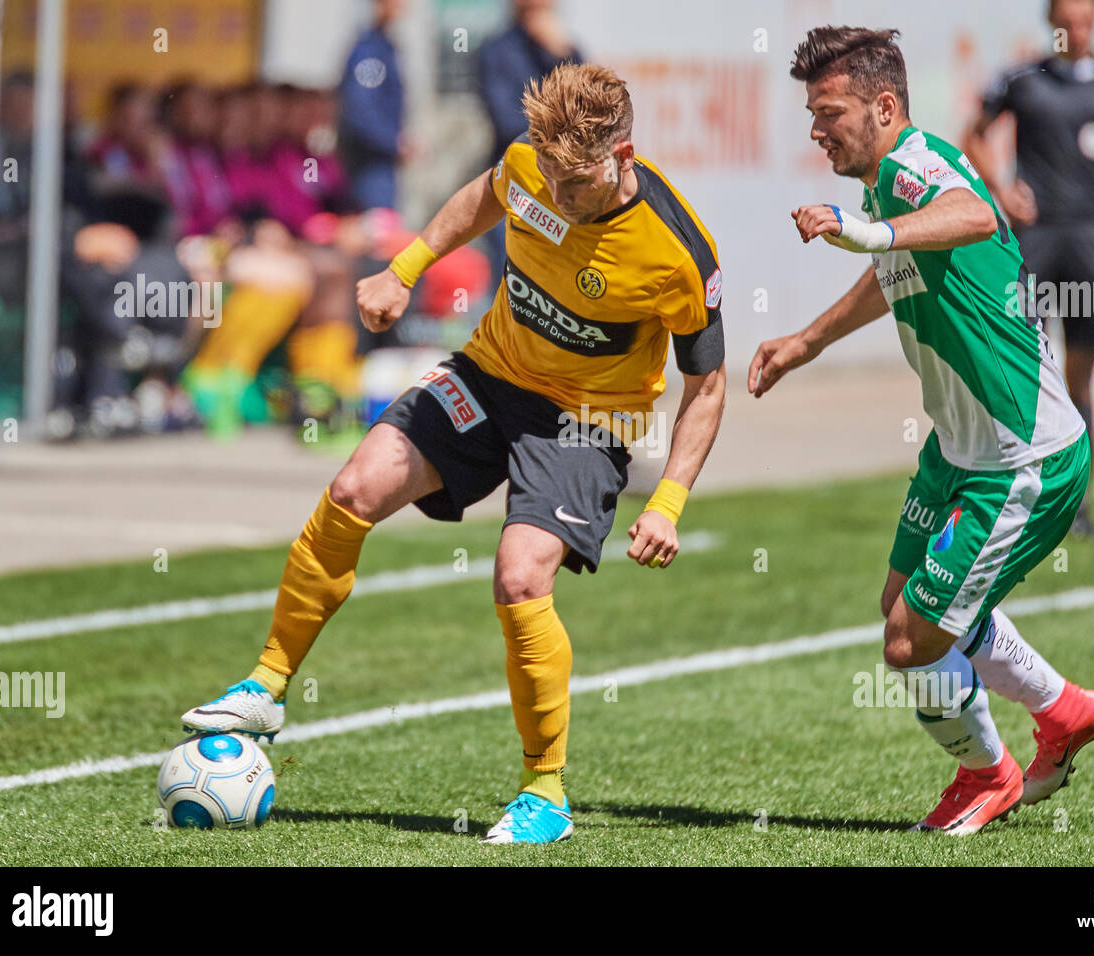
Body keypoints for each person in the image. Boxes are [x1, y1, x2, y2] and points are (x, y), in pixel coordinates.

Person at [180, 63, 727, 844]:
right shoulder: (530, 164)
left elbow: (707, 387)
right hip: (490, 372)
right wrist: (404, 270)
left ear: (625, 156)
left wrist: (668, 502)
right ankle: (268, 684)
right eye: (554, 181)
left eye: (580, 184)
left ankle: (545, 792)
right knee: (352, 489)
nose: (561, 199)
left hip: (585, 419)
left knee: (518, 576)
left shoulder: (678, 253)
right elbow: (483, 197)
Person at [749, 26, 1094, 835]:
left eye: (829, 111)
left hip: (1021, 458)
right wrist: (806, 341)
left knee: (910, 642)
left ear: (885, 107)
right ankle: (1064, 710)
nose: (816, 129)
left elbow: (974, 214)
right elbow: (897, 271)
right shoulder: (887, 181)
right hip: (956, 448)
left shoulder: (919, 168)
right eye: (812, 112)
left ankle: (987, 776)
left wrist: (870, 230)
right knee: (905, 608)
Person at [963, 0, 1094, 538]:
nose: (1077, 30)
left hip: (1090, 245)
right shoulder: (1023, 80)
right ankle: (1020, 501)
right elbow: (973, 134)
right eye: (1067, 21)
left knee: (1081, 377)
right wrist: (1000, 188)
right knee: (1024, 371)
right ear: (1052, 22)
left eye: (1086, 20)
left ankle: (1077, 505)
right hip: (1033, 247)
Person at [478, 0, 584, 290]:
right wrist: (558, 131)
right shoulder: (496, 51)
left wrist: (561, 55)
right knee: (511, 282)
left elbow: (589, 108)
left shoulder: (562, 48)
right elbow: (506, 121)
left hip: (563, 187)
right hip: (516, 184)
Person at [337, 0, 409, 211]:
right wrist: (394, 142)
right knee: (376, 230)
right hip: (368, 165)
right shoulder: (369, 51)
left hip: (381, 163)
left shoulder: (385, 47)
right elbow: (360, 110)